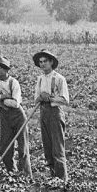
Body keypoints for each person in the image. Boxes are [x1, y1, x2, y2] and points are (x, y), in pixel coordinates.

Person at [0, 54, 27, 174]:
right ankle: (11, 171)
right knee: (5, 147)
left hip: (18, 117)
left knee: (22, 147)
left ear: (5, 69)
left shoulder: (14, 83)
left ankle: (25, 173)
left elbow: (16, 104)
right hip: (4, 116)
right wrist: (3, 97)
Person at [33, 50, 70, 180]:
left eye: (45, 61)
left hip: (55, 114)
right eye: (40, 62)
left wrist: (50, 98)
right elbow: (36, 99)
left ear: (51, 62)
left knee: (57, 147)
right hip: (43, 113)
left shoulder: (59, 79)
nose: (42, 64)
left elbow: (65, 100)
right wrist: (41, 97)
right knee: (47, 146)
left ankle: (62, 179)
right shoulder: (40, 79)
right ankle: (53, 175)